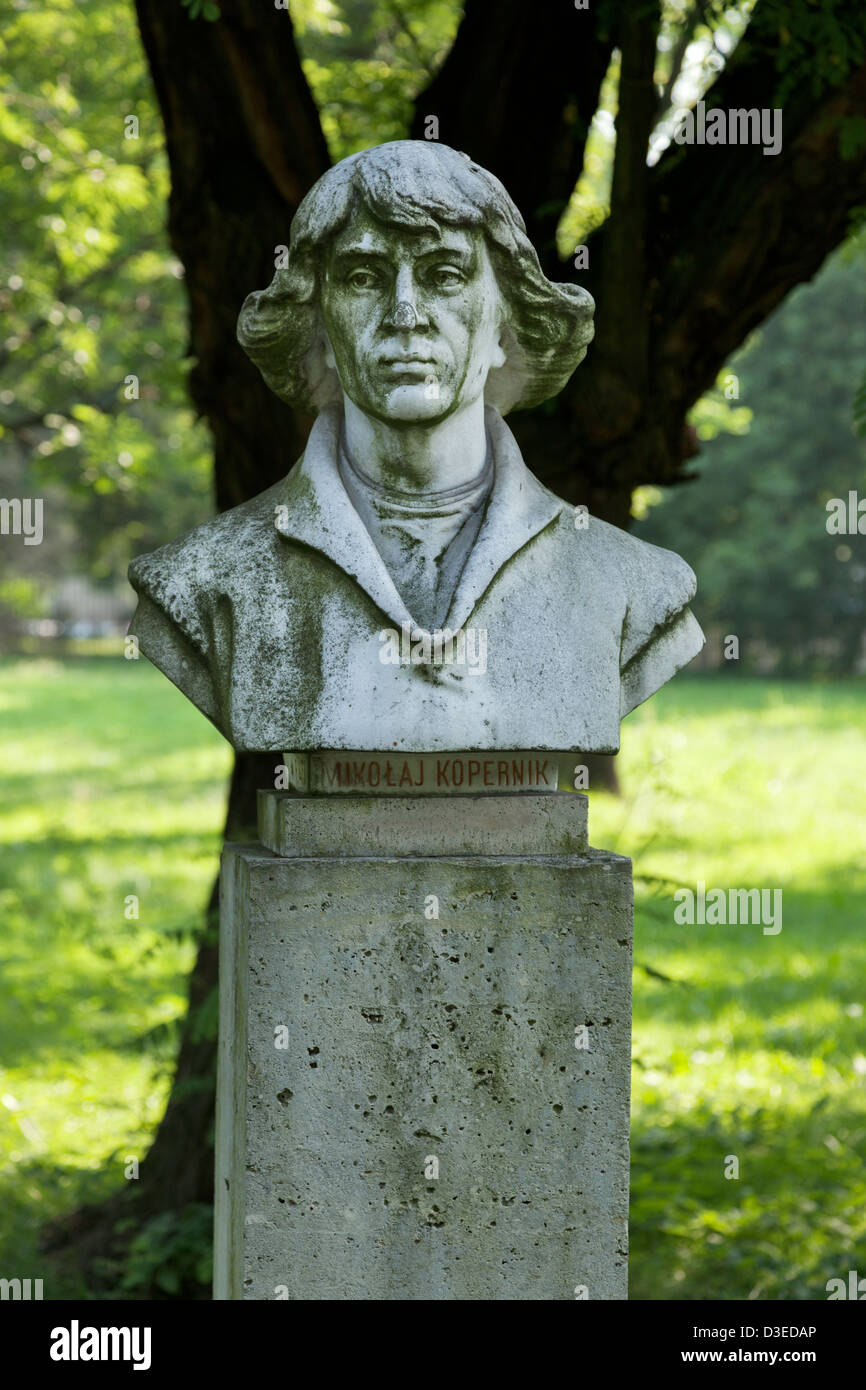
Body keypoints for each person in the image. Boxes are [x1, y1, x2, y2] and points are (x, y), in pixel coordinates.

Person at [128, 141, 703, 753]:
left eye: (445, 275)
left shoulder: (630, 585)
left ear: (504, 324)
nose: (406, 313)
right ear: (319, 326)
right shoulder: (208, 581)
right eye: (362, 278)